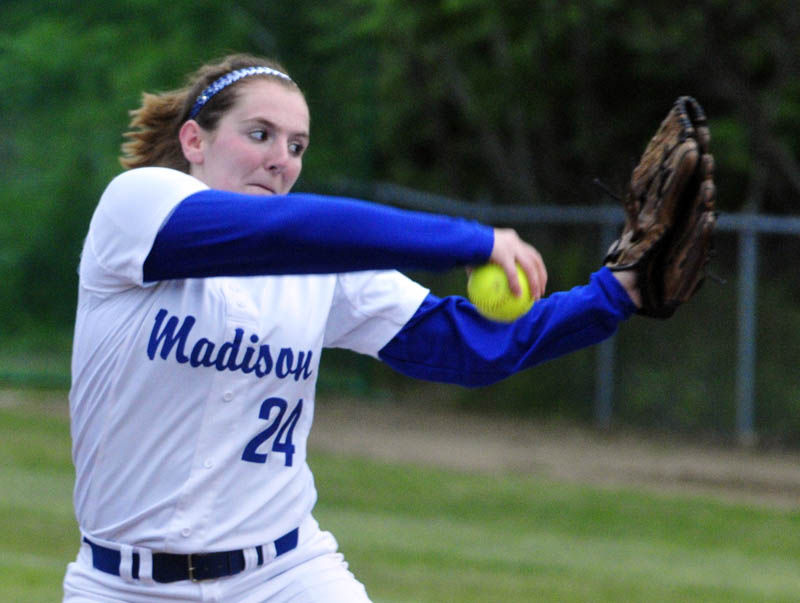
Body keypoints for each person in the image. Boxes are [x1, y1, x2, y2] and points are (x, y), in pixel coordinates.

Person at [63, 53, 641, 602]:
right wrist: (469, 240)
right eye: (259, 134)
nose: (280, 158)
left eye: (297, 145)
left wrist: (616, 294)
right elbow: (280, 233)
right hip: (122, 585)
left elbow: (465, 346)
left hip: (284, 574)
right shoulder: (137, 208)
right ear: (195, 140)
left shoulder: (322, 270)